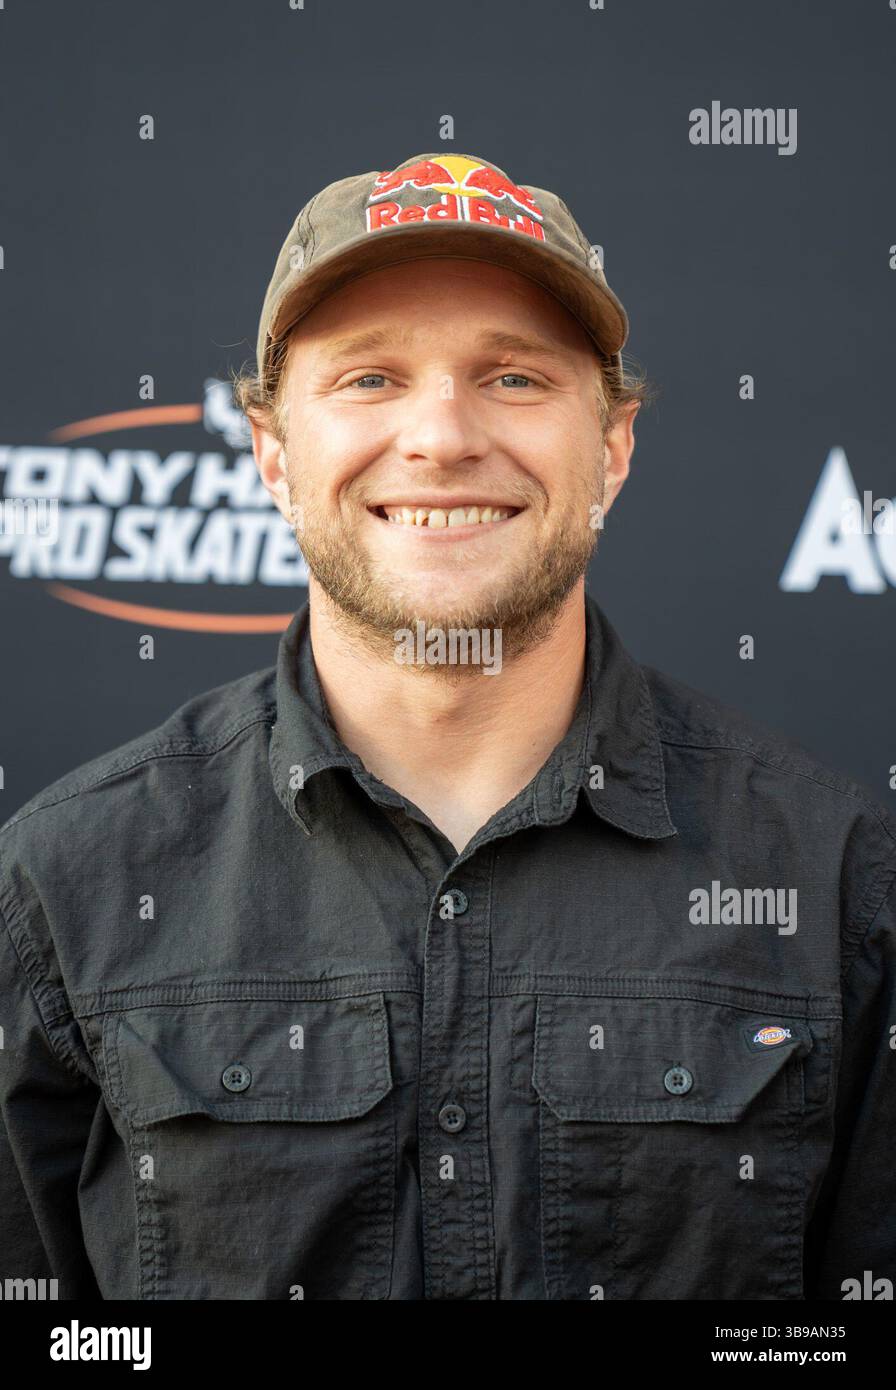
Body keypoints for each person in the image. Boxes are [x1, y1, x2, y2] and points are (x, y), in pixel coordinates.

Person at [1, 151, 894, 1301]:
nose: (440, 436)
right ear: (273, 454)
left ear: (611, 446)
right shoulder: (64, 883)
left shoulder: (833, 874)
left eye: (513, 378)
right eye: (369, 379)